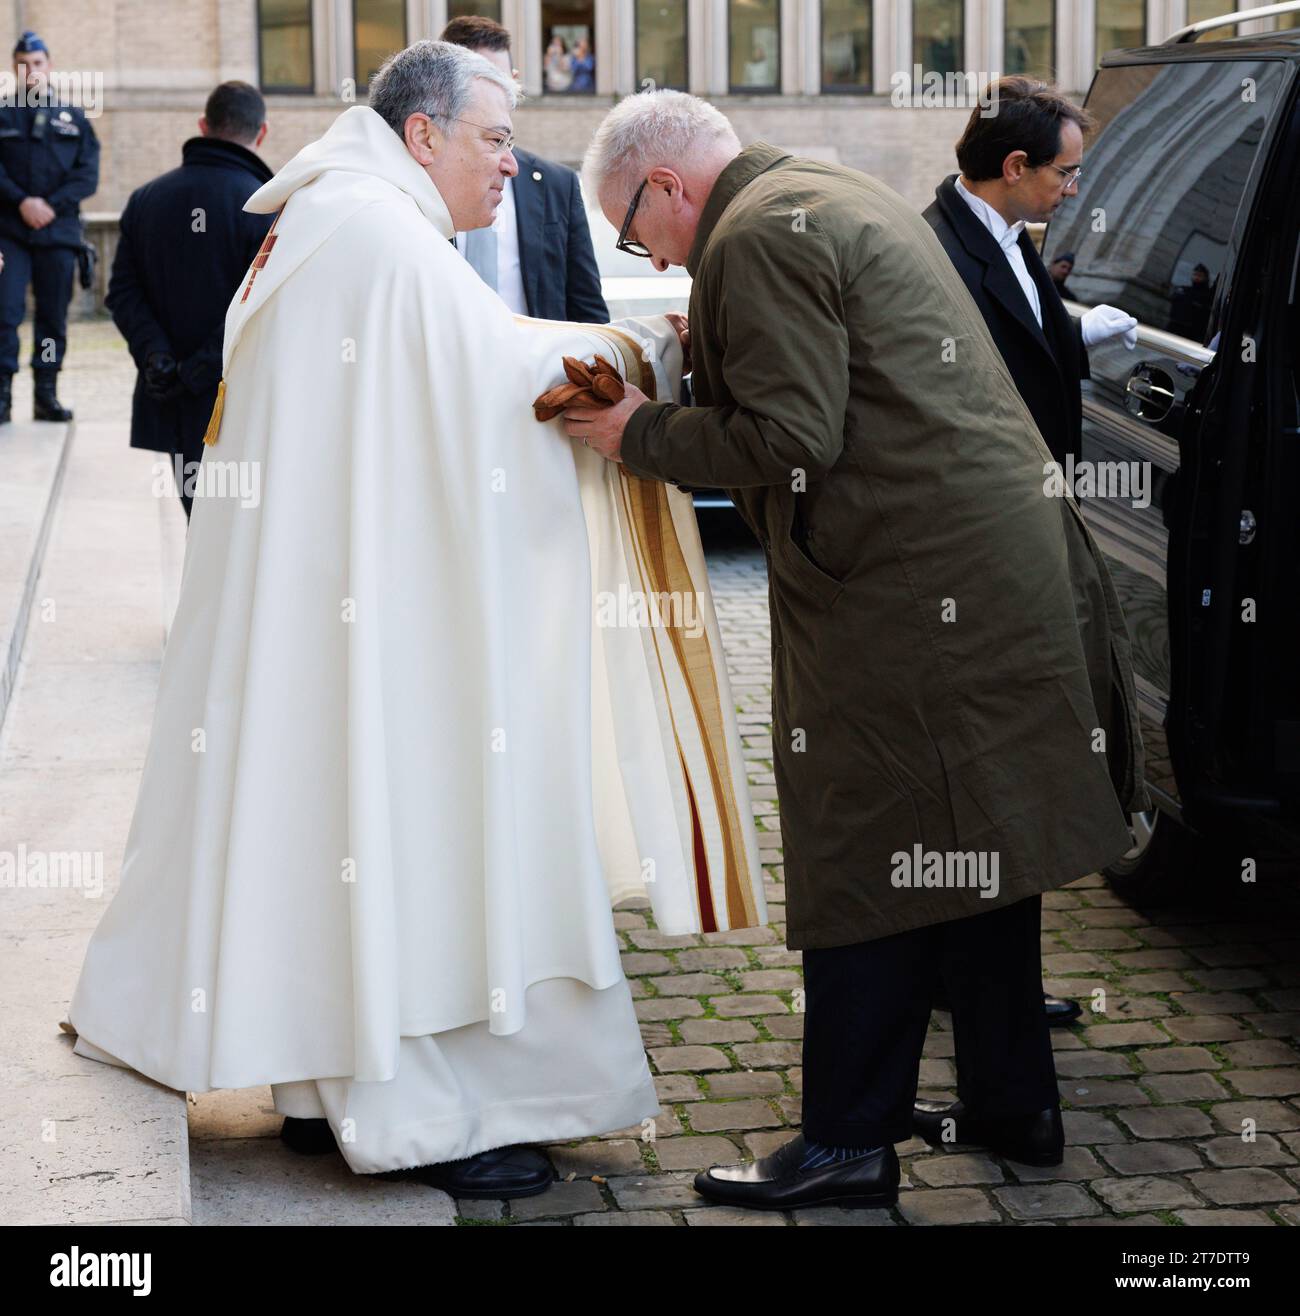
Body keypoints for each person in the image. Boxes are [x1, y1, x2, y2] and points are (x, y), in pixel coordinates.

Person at [64, 43, 764, 1200]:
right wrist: (648, 350)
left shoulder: (335, 219)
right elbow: (490, 384)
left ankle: (319, 1084)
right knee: (400, 832)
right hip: (373, 618)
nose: (509, 168)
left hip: (334, 602)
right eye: (494, 141)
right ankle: (412, 1104)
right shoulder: (380, 236)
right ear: (422, 134)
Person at [568, 90, 1147, 1210]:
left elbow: (787, 440)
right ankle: (1011, 1102)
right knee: (981, 844)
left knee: (868, 850)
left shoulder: (747, 242)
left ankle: (847, 1139)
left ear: (667, 187)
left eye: (637, 234)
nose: (650, 255)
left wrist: (630, 431)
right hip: (987, 575)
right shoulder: (820, 191)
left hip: (912, 594)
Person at [922, 78, 1140, 1027]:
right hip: (984, 554)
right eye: (1065, 172)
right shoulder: (940, 252)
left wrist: (1081, 334)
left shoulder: (1010, 241)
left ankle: (997, 982)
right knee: (986, 778)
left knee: (1021, 774)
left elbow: (1038, 346)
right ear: (1013, 169)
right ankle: (971, 987)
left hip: (1031, 534)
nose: (1072, 190)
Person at [106, 82, 274, 519]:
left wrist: (157, 354)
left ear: (203, 125)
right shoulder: (267, 208)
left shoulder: (146, 199)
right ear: (262, 133)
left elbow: (123, 291)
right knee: (242, 540)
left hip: (174, 402)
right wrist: (200, 369)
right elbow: (261, 306)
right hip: (243, 404)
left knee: (198, 525)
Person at [441, 15, 606, 322]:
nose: (490, 97)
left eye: (500, 82)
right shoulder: (418, 187)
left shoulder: (559, 185)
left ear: (514, 82)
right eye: (475, 84)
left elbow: (588, 314)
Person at [0, 29, 99, 424]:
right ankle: (3, 395)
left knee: (51, 315)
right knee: (5, 314)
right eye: (22, 65)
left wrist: (47, 206)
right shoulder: (1, 115)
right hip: (9, 232)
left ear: (49, 66)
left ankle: (46, 393)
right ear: (14, 68)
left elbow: (87, 176)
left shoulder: (74, 118)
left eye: (37, 64)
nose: (30, 71)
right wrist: (22, 202)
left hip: (57, 233)